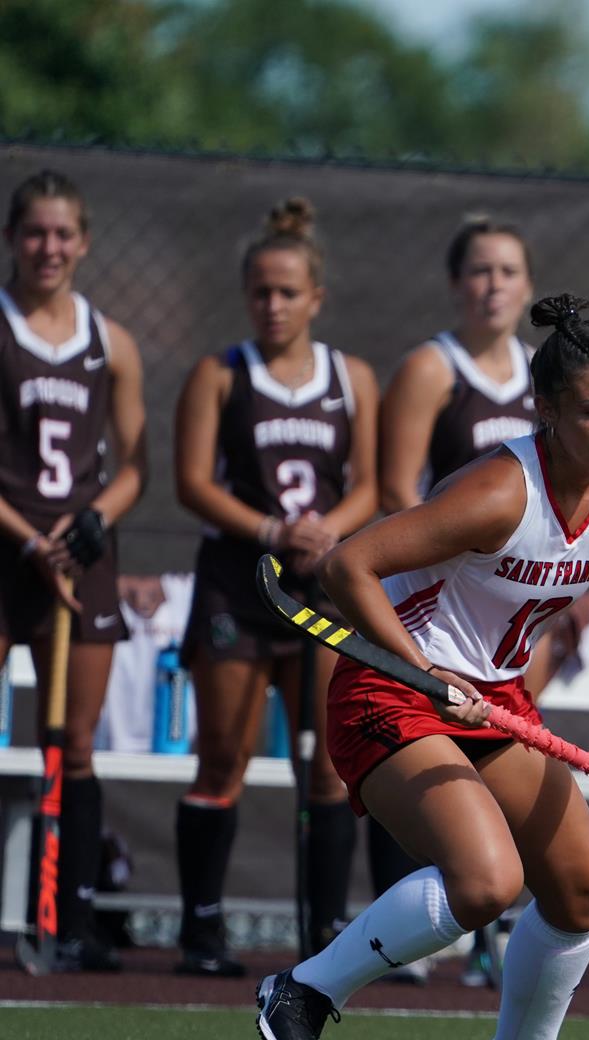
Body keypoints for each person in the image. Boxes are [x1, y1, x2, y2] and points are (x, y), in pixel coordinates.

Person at [254, 293, 589, 1040]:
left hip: (492, 697)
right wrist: (425, 673)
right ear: (547, 412)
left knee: (584, 887)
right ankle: (303, 990)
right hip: (392, 684)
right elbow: (346, 566)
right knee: (484, 882)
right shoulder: (499, 493)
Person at [171, 197, 378, 973]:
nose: (274, 304)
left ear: (315, 297)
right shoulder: (220, 373)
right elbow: (192, 481)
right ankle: (201, 928)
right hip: (238, 583)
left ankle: (325, 938)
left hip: (318, 589)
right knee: (222, 754)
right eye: (261, 291)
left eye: (288, 292)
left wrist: (325, 530)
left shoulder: (350, 376)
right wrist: (269, 531)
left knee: (329, 762)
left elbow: (374, 483)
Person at [367, 216, 560, 979]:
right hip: (439, 608)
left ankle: (488, 933)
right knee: (426, 749)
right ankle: (411, 932)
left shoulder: (546, 379)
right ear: (456, 285)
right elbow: (395, 490)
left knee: (496, 761)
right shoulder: (432, 369)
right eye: (479, 272)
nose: (493, 286)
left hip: (510, 614)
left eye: (508, 272)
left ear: (529, 286)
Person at [0, 168, 148, 972]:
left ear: (83, 242)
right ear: (11, 238)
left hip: (82, 557)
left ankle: (71, 913)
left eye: (63, 234)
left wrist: (95, 520)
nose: (48, 247)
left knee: (75, 742)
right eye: (33, 232)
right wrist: (30, 538)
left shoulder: (109, 340)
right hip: (9, 548)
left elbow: (136, 463)